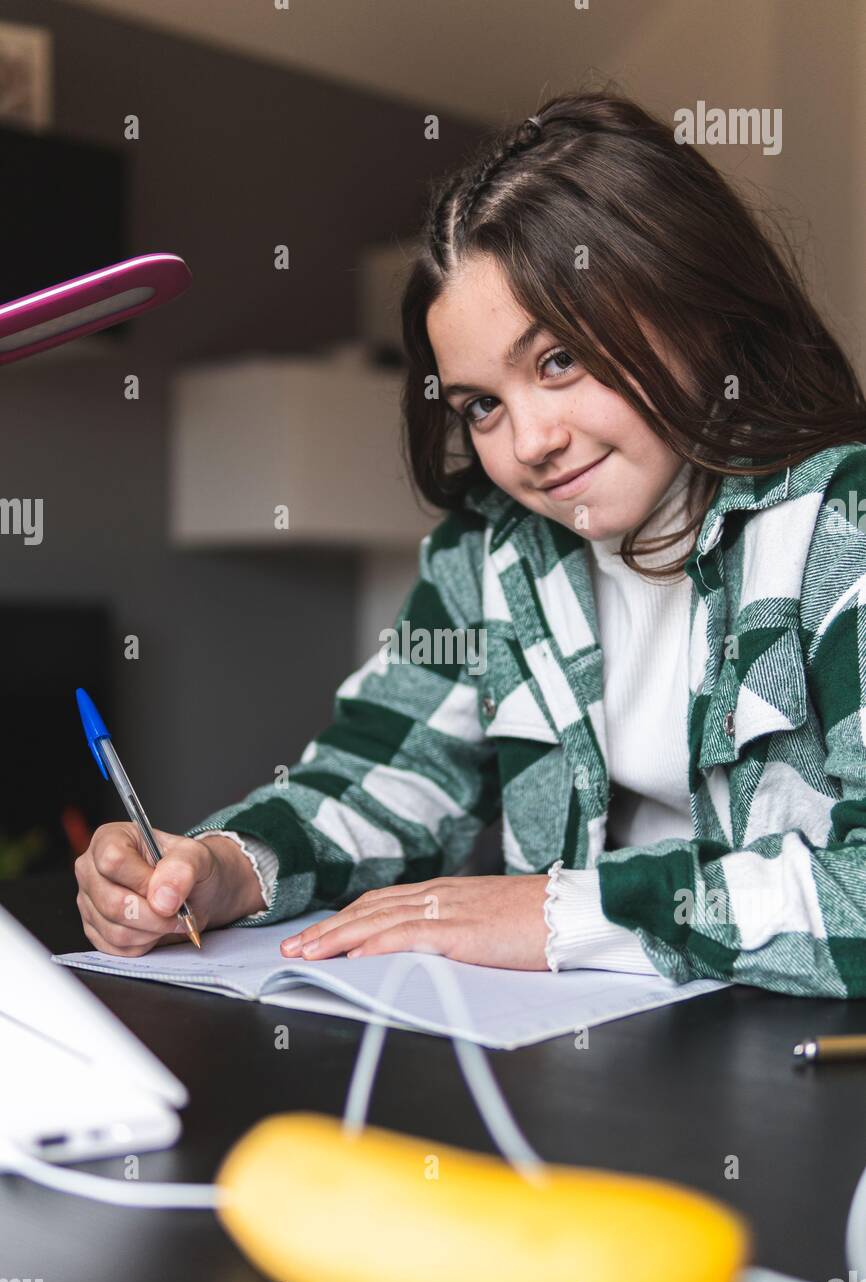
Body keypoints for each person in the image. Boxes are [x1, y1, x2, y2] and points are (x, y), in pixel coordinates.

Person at [75, 89, 866, 996]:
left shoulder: (841, 525)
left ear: (690, 304)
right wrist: (225, 869)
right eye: (482, 405)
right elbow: (382, 779)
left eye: (559, 360)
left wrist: (560, 910)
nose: (529, 444)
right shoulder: (489, 555)